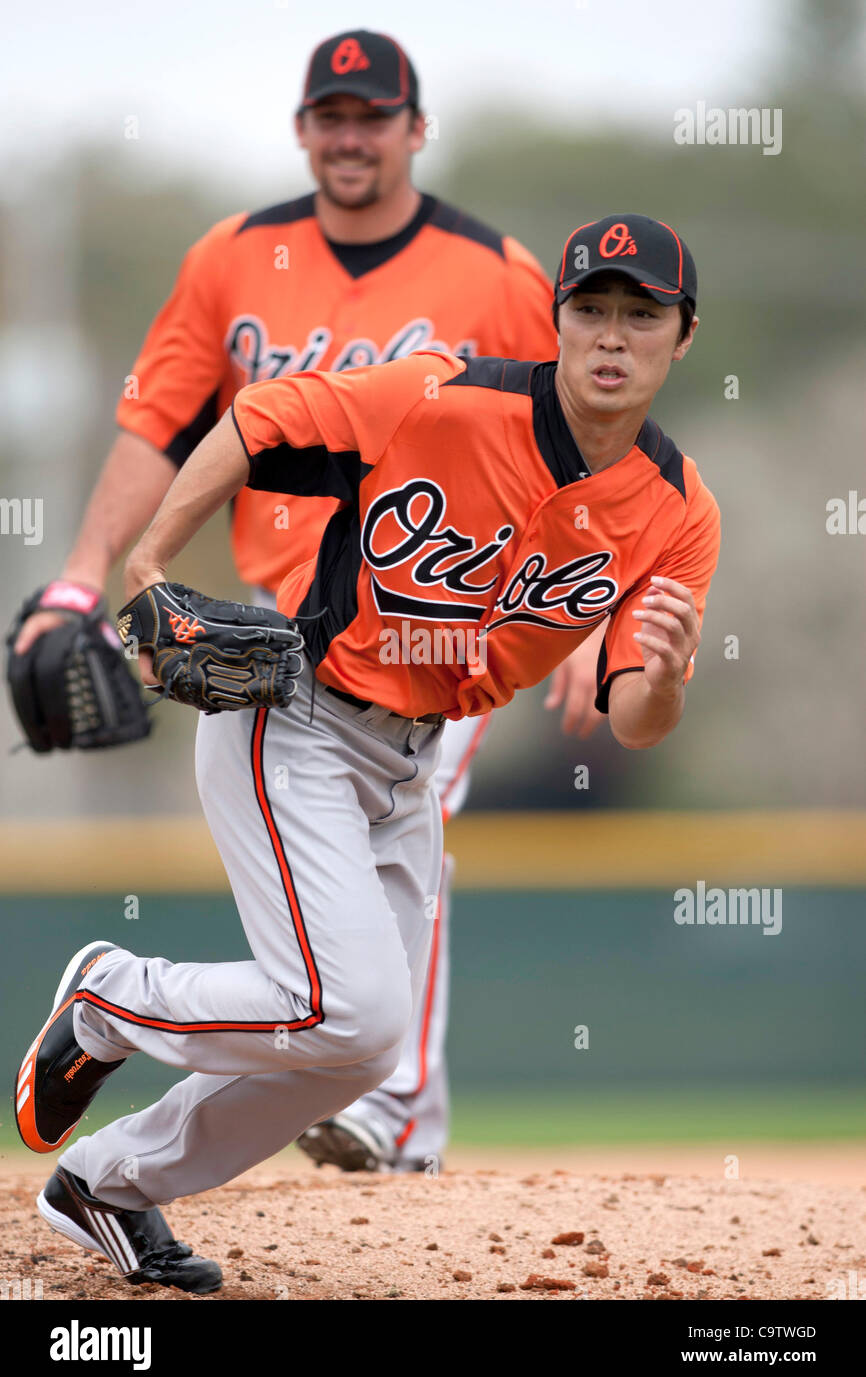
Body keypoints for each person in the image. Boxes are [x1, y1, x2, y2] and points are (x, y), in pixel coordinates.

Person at [17, 213, 720, 1293]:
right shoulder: (445, 393)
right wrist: (148, 559)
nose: (611, 336)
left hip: (409, 761)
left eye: (641, 314)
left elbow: (631, 715)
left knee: (361, 1049)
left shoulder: (676, 511)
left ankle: (107, 1183)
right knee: (342, 1008)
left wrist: (666, 677)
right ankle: (112, 998)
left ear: (682, 338)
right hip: (294, 718)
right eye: (592, 309)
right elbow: (259, 418)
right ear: (558, 320)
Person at [11, 28, 586, 1175]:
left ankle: (388, 1108)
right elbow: (155, 422)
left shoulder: (497, 275)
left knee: (422, 814)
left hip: (441, 612)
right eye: (332, 113)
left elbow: (575, 441)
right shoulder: (233, 257)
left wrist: (594, 613)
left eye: (373, 115)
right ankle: (322, 1082)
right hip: (276, 626)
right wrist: (82, 575)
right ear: (301, 128)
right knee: (338, 885)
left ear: (415, 130)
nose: (350, 133)